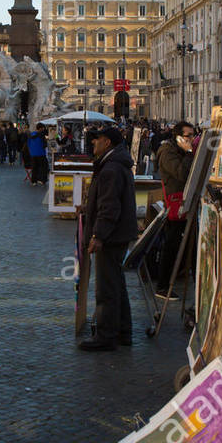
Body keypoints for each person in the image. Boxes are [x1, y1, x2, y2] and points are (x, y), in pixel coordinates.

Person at [79, 125, 138, 351]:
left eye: (98, 139)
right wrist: (86, 208)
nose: (93, 142)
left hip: (111, 237)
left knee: (106, 288)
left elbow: (110, 206)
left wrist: (98, 235)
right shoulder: (114, 165)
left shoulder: (111, 169)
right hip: (119, 234)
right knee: (117, 284)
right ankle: (123, 331)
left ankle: (106, 336)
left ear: (108, 143)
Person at [155, 121, 196, 299]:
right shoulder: (167, 152)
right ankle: (163, 286)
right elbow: (181, 173)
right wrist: (188, 152)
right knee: (171, 245)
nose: (191, 140)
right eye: (188, 136)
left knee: (186, 243)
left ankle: (180, 273)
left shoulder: (180, 151)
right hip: (175, 202)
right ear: (178, 136)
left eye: (193, 136)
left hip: (185, 201)